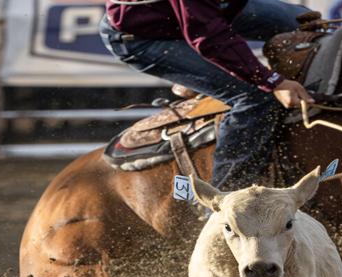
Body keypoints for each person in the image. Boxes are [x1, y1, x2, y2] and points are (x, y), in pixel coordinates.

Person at [101, 0, 314, 191]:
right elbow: (209, 36)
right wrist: (272, 81)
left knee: (311, 25)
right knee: (256, 98)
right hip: (144, 37)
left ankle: (205, 74)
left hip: (203, 11)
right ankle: (225, 199)